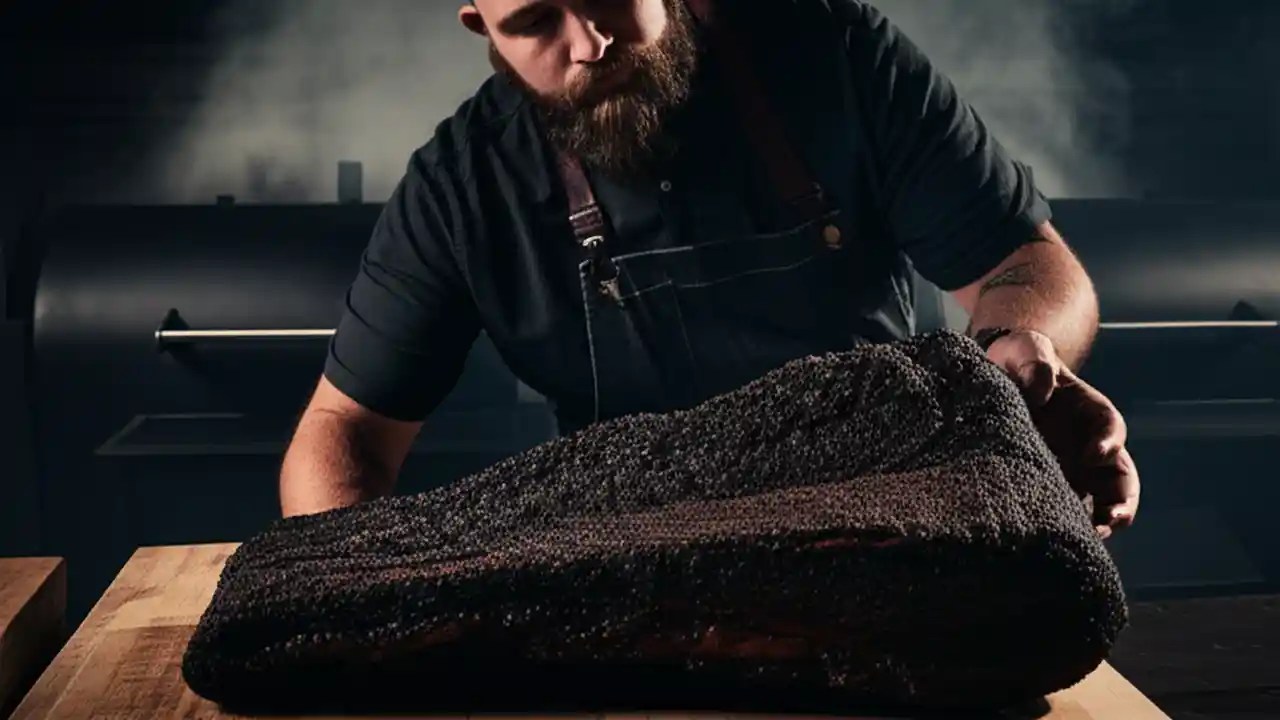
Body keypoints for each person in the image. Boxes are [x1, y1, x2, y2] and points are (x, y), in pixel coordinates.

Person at [278, 0, 1141, 540]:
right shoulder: (463, 185)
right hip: (619, 566)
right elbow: (339, 432)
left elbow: (1030, 262)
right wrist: (353, 581)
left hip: (884, 526)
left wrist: (1013, 357)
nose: (591, 42)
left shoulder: (834, 52)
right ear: (484, 30)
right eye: (538, 21)